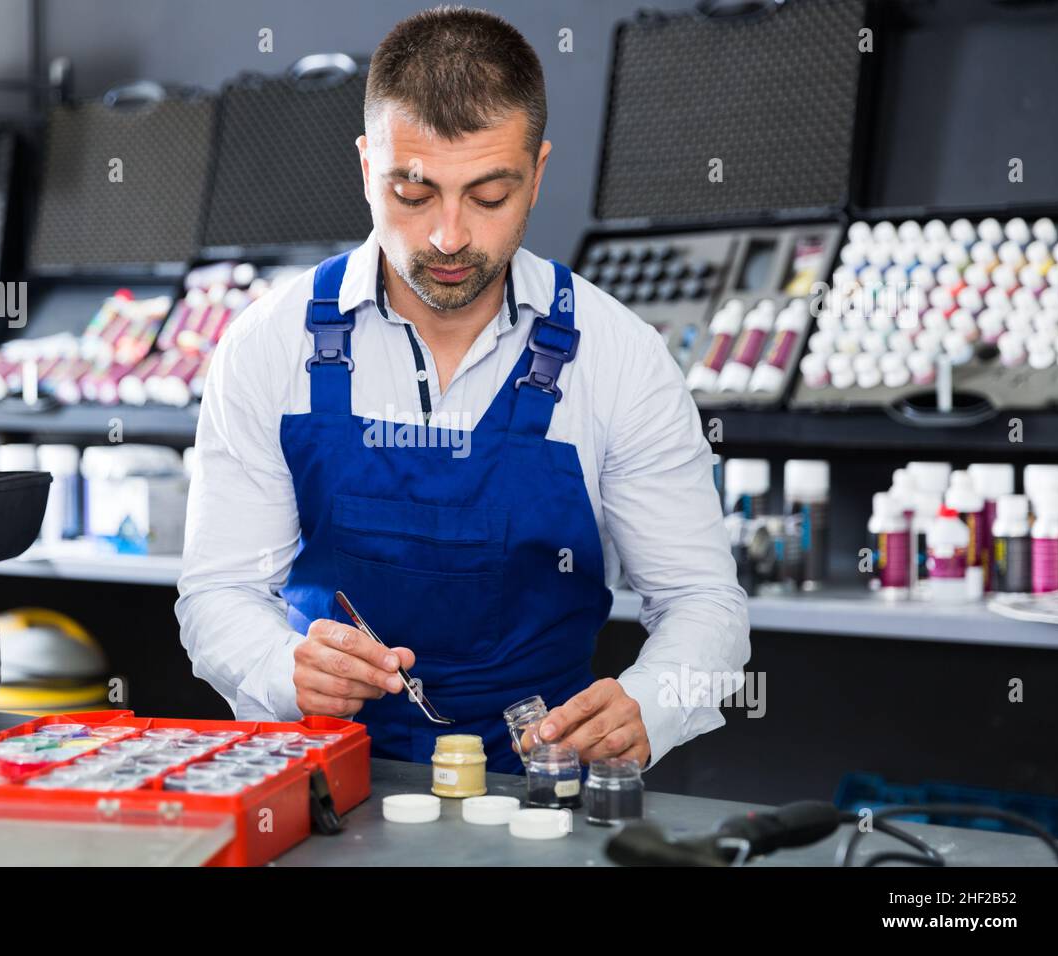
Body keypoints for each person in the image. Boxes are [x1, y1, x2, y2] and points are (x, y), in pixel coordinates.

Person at [177, 6, 749, 773]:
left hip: (544, 793)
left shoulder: (620, 358)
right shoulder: (266, 345)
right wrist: (284, 671)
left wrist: (652, 702)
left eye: (487, 196)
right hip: (322, 781)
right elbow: (217, 593)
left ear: (538, 174)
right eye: (412, 194)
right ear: (365, 165)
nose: (448, 236)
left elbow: (703, 603)